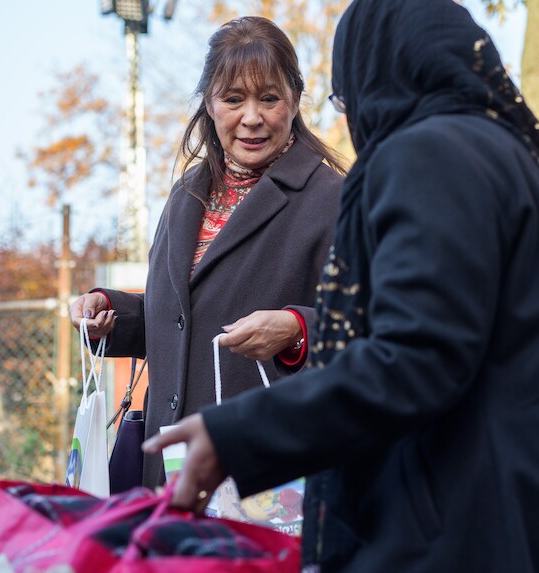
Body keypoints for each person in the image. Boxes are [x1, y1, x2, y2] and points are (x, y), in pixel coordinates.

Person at [144, 1, 539, 573]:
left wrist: (236, 436)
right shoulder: (532, 164)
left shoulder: (428, 157)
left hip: (482, 541)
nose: (352, 116)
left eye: (344, 97)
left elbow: (416, 355)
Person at [70, 16, 345, 490]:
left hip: (268, 478)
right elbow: (181, 318)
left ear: (295, 101)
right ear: (210, 104)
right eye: (234, 99)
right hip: (172, 473)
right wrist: (113, 313)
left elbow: (371, 328)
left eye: (270, 98)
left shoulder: (331, 200)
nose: (252, 117)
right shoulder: (187, 196)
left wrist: (296, 330)